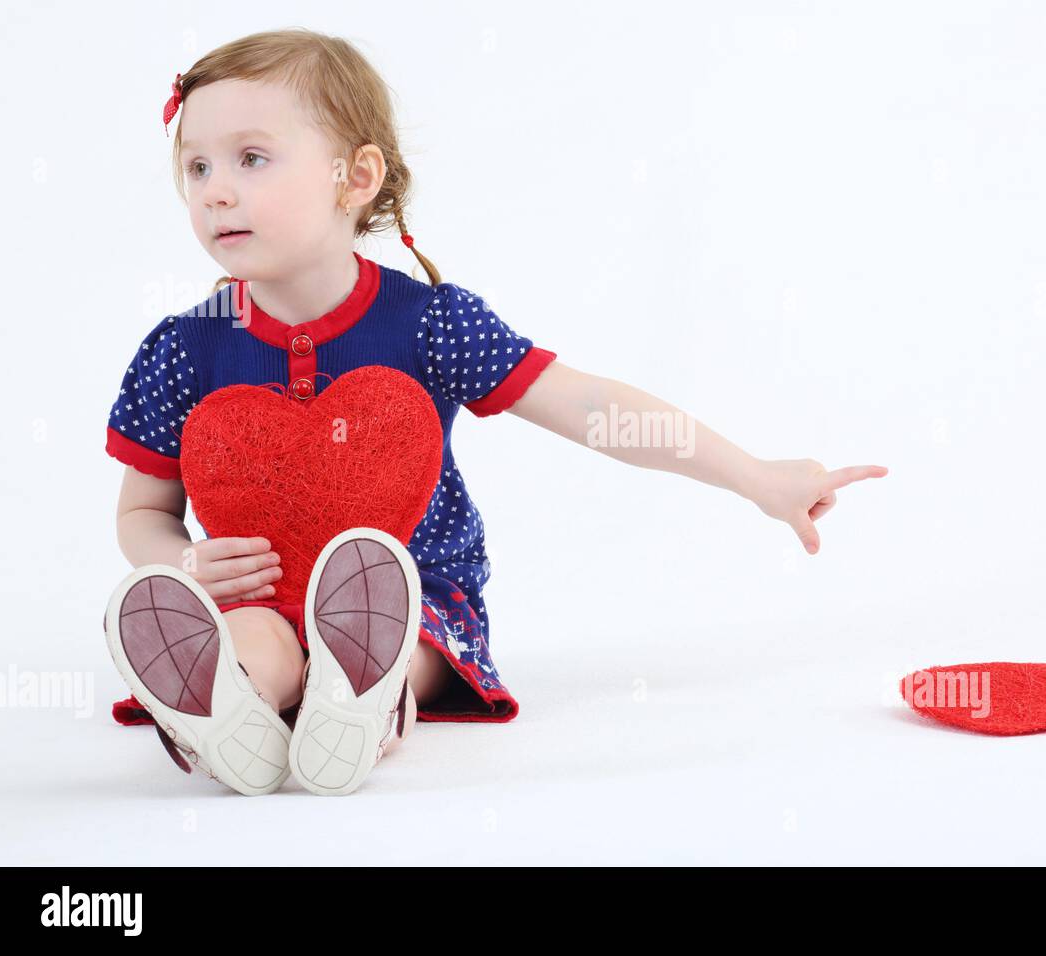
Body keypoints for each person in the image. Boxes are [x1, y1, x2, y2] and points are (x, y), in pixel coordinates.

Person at [104, 28, 888, 796]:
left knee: (398, 636)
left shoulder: (429, 324)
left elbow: (589, 406)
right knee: (253, 642)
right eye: (197, 166)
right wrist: (178, 564)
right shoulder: (186, 348)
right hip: (258, 589)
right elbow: (144, 510)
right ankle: (230, 704)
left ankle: (362, 704)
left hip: (408, 591)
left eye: (251, 158)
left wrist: (755, 476)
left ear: (355, 176)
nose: (215, 190)